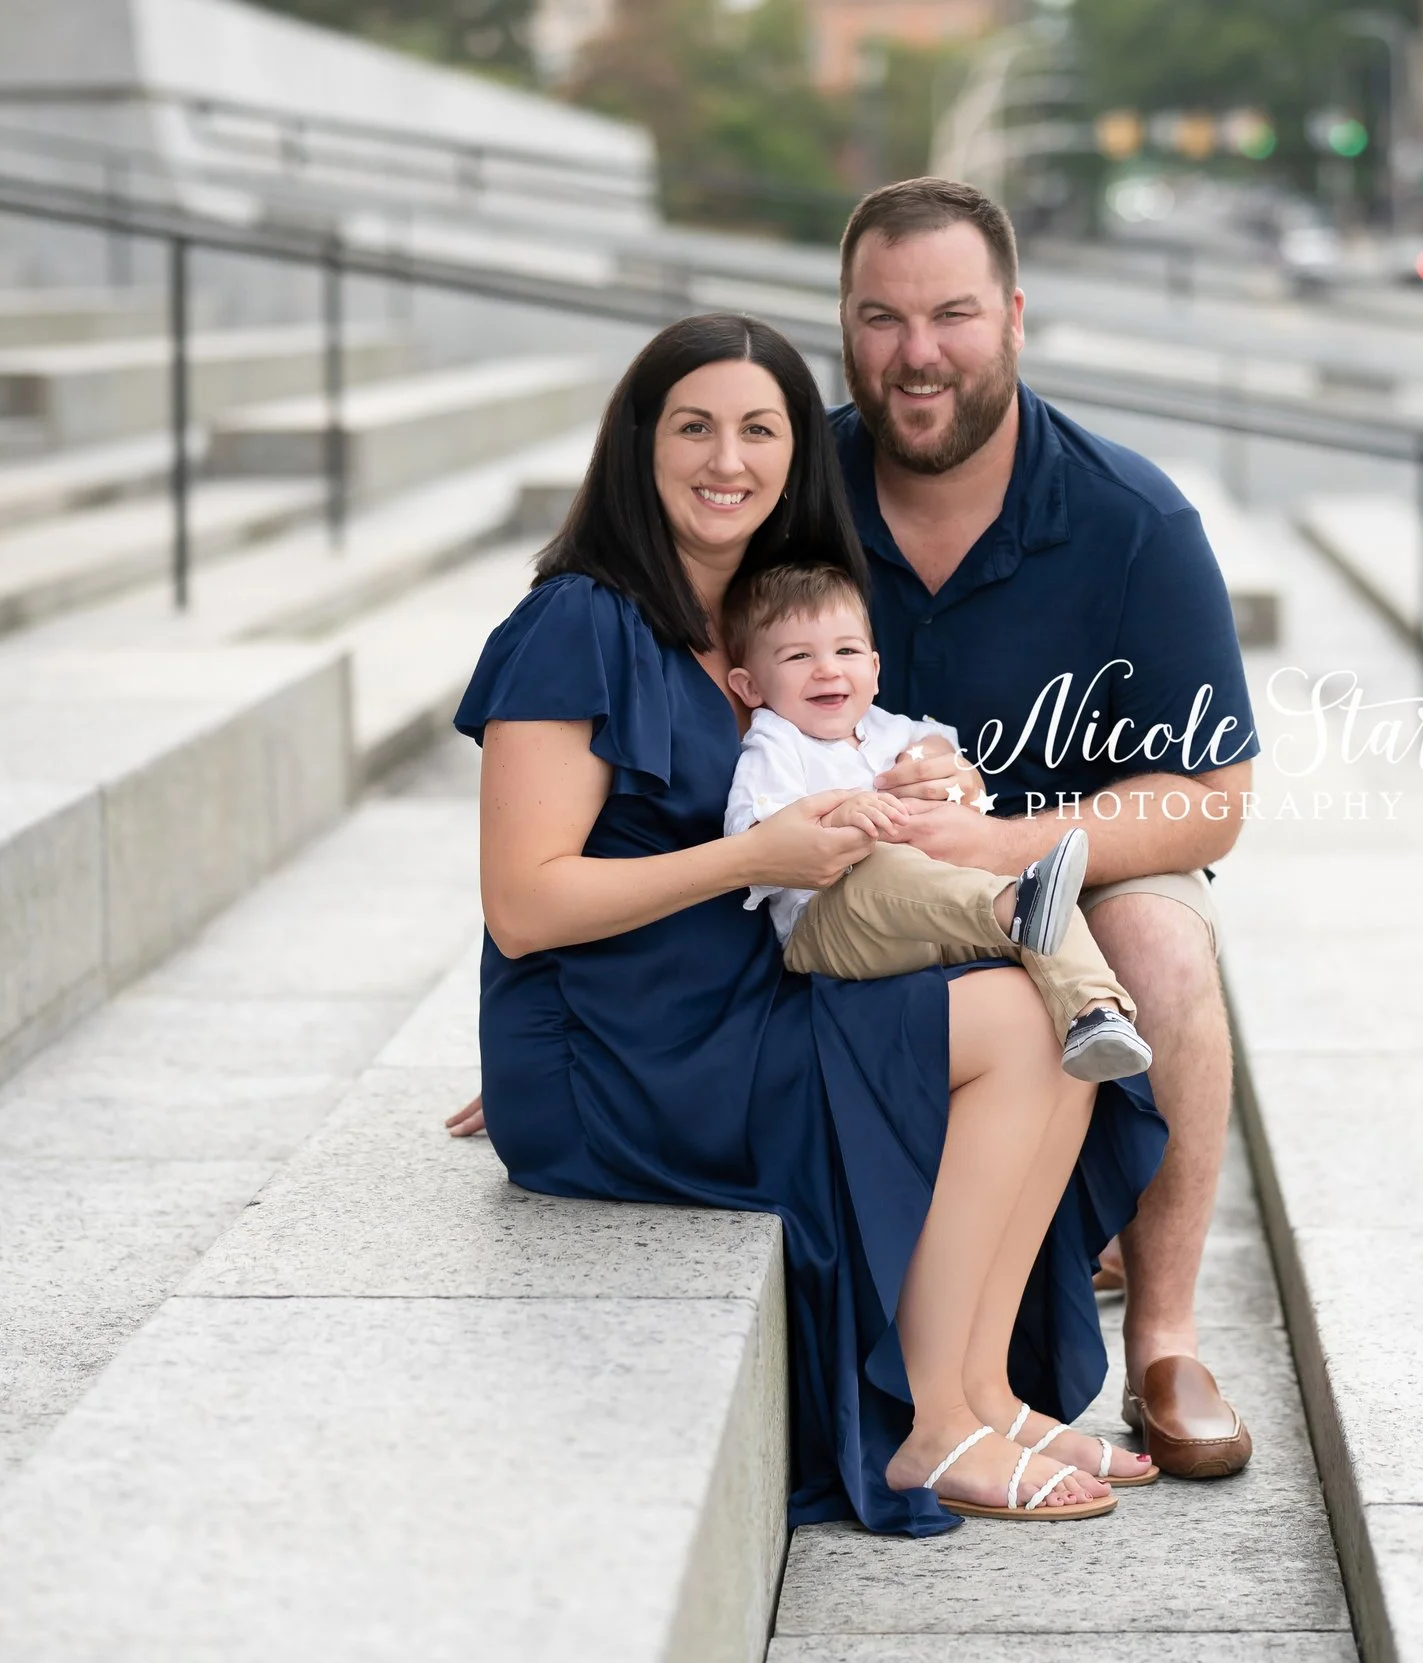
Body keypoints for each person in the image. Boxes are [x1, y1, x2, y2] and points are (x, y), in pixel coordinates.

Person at [449, 310, 1166, 1535]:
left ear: (796, 454)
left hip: (722, 1001)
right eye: (693, 426)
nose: (726, 458)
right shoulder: (579, 621)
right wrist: (758, 855)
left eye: (759, 429)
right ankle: (932, 1425)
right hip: (624, 1050)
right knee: (1007, 1011)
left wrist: (918, 787)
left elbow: (820, 801)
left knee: (1046, 1016)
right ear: (637, 442)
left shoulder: (763, 626)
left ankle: (984, 1389)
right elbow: (523, 907)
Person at [832, 178, 1261, 1479]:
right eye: (881, 317)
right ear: (845, 329)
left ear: (1015, 317)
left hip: (1056, 885)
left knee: (1167, 939)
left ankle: (1169, 1341)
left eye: (953, 312)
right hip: (839, 894)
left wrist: (1014, 847)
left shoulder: (1134, 521)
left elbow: (1214, 799)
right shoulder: (794, 497)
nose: (918, 352)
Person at [718, 560, 1155, 1083]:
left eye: (847, 651)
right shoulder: (776, 742)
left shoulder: (883, 728)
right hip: (830, 926)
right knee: (885, 871)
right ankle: (1014, 905)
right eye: (798, 656)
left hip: (930, 918)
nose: (829, 669)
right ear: (749, 687)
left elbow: (943, 743)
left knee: (1045, 904)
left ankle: (1095, 1013)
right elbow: (751, 842)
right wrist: (837, 816)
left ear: (875, 670)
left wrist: (936, 755)